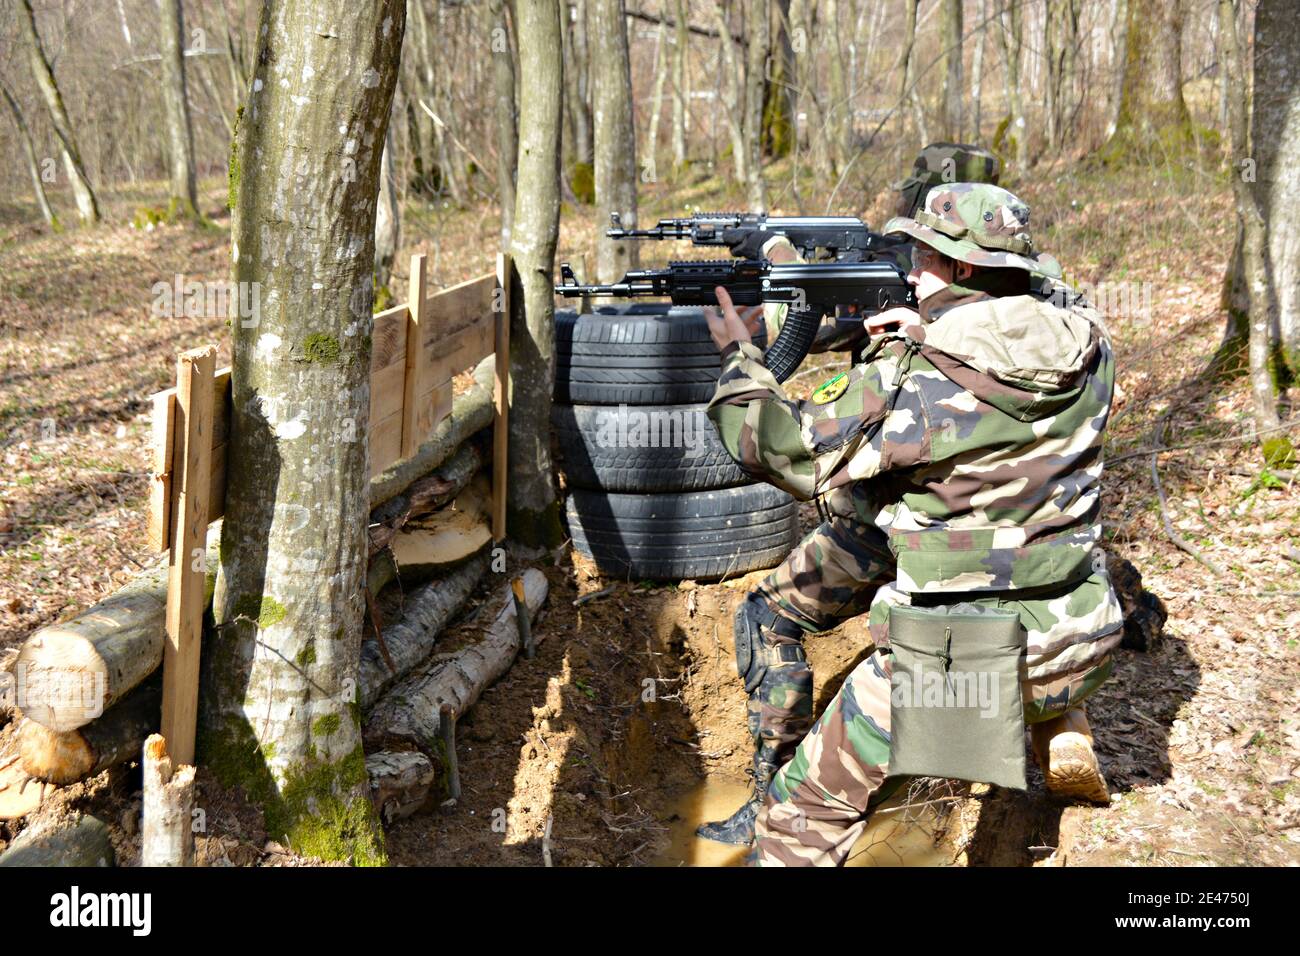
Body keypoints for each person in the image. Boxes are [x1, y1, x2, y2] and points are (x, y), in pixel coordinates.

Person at [695, 183, 1120, 851]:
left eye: (923, 257)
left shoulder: (914, 381)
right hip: (1083, 643)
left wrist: (736, 357)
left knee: (798, 820)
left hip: (964, 670)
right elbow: (1025, 329)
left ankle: (778, 807)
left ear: (965, 270)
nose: (911, 270)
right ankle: (1059, 720)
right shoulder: (1094, 345)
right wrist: (942, 330)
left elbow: (775, 446)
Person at [745, 142, 1002, 360]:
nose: (900, 201)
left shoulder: (906, 269)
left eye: (909, 193)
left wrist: (777, 250)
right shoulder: (1013, 269)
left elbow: (813, 330)